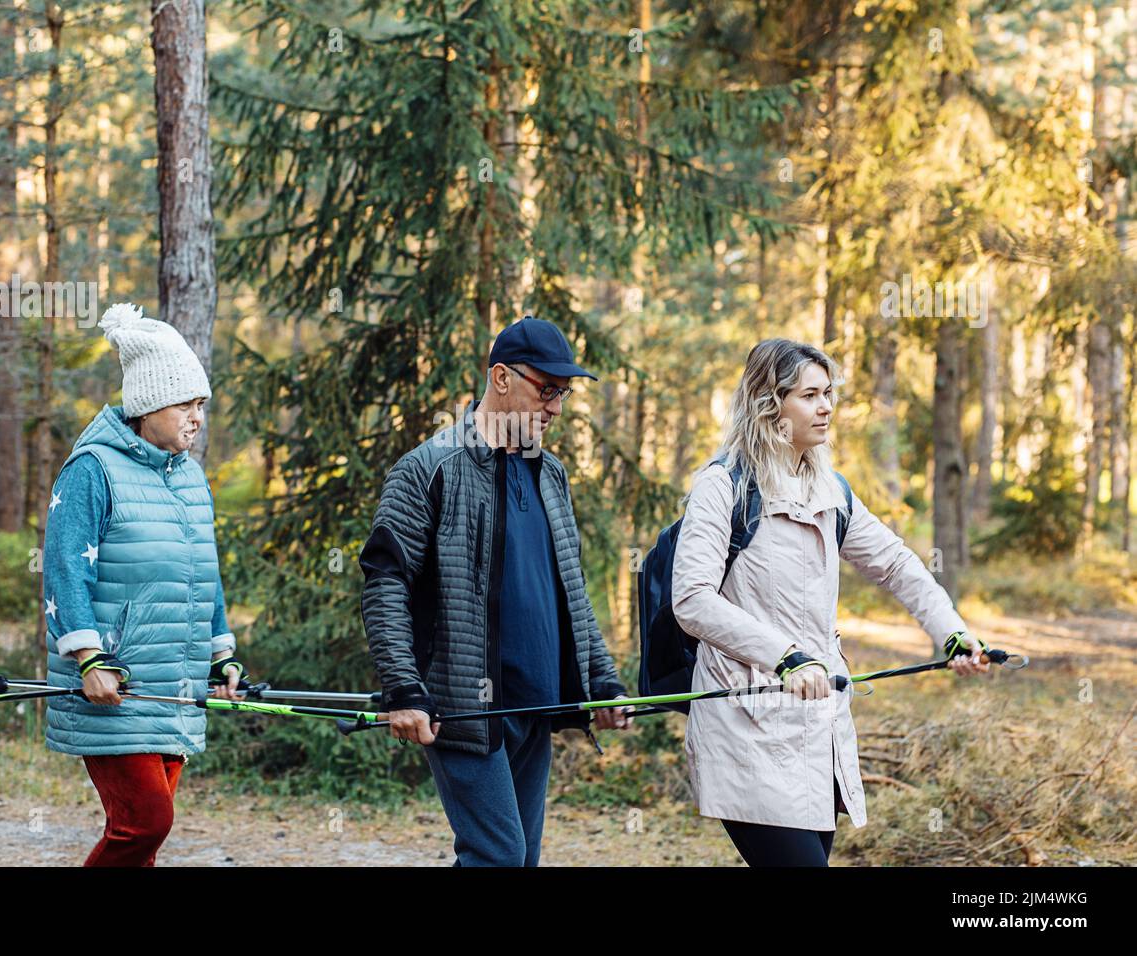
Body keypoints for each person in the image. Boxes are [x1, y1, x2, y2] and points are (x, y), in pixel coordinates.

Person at [671, 338, 989, 867]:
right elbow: (692, 600)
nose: (826, 407)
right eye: (810, 395)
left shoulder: (831, 490)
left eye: (828, 394)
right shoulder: (723, 488)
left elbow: (897, 563)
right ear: (770, 404)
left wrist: (951, 630)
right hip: (746, 725)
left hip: (820, 729)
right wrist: (785, 655)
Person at [361, 314, 632, 867]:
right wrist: (403, 690)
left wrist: (601, 680)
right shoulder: (430, 468)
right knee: (498, 857)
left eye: (564, 394)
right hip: (464, 706)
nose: (556, 408)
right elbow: (386, 580)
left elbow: (571, 593)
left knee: (521, 860)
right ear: (502, 378)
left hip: (539, 702)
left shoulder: (550, 474)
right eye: (547, 390)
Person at [43, 302, 244, 867]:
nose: (197, 416)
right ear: (148, 405)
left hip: (174, 682)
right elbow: (64, 570)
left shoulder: (191, 476)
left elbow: (203, 570)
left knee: (144, 838)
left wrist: (219, 654)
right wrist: (88, 657)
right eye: (185, 403)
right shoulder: (93, 468)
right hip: (115, 680)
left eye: (201, 404)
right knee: (143, 824)